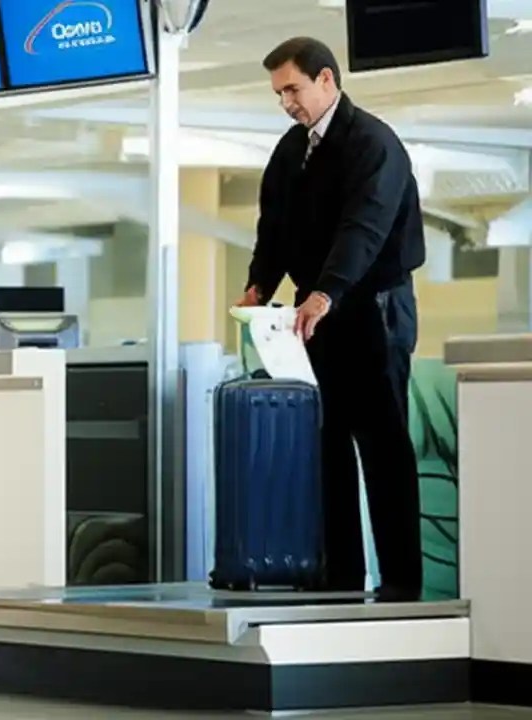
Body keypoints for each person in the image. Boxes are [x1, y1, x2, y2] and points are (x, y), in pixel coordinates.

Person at [238, 37, 425, 600]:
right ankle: (340, 578)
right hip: (315, 315)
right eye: (278, 94)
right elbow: (274, 229)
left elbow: (363, 228)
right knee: (326, 445)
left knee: (383, 446)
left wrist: (327, 291)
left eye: (293, 89)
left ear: (326, 79)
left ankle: (401, 584)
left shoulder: (374, 143)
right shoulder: (291, 150)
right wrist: (259, 285)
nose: (286, 103)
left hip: (373, 309)